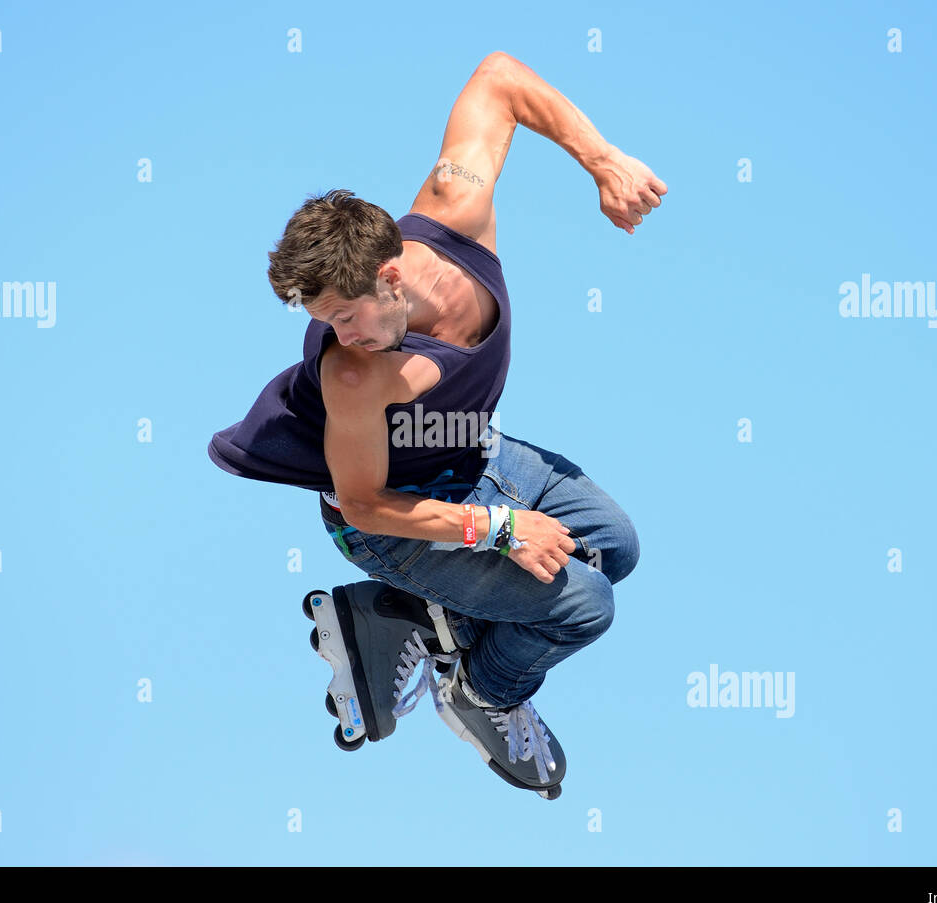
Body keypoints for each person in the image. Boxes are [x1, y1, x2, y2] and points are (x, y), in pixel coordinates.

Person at [208, 51, 664, 798]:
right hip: (391, 519)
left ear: (391, 273)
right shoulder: (353, 376)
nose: (340, 337)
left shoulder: (456, 207)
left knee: (616, 547)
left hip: (473, 457)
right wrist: (504, 532)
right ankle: (483, 692)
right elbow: (362, 505)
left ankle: (401, 619)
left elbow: (499, 80)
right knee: (587, 605)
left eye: (348, 316)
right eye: (324, 321)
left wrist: (604, 162)